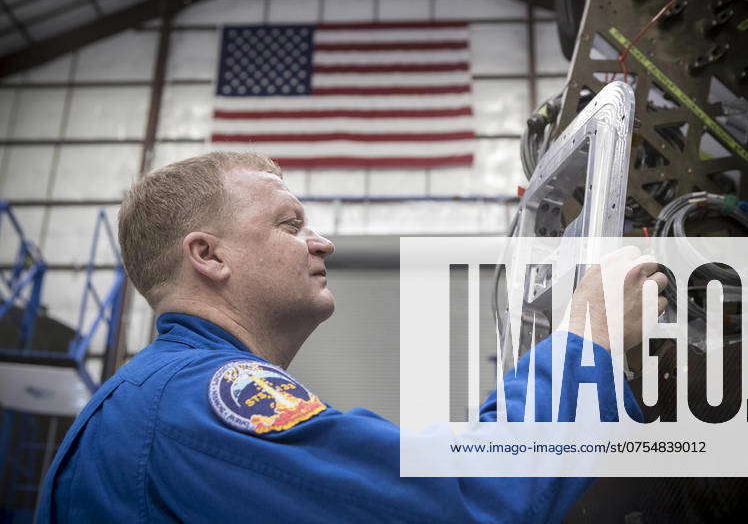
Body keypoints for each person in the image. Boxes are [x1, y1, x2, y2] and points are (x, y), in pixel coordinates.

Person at [37, 152, 665, 523]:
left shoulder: (149, 401)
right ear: (209, 256)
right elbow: (464, 503)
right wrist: (589, 338)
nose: (323, 243)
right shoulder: (196, 404)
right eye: (290, 225)